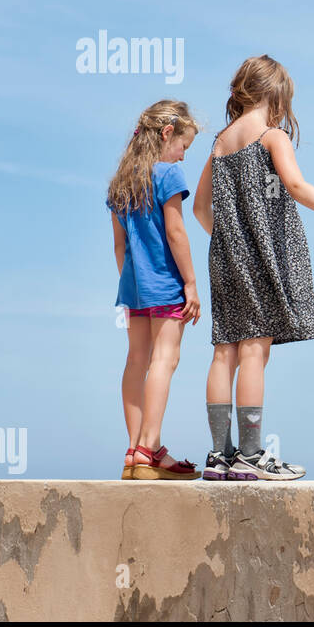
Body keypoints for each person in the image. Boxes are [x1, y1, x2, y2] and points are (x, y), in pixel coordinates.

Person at [193, 55, 314, 481]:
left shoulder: (219, 143)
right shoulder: (271, 136)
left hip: (224, 256)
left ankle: (219, 457)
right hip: (261, 255)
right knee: (254, 349)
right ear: (275, 94)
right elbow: (295, 186)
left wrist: (229, 240)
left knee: (224, 351)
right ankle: (252, 454)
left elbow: (201, 209)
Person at [107, 100, 202, 481]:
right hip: (165, 284)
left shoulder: (121, 183)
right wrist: (191, 283)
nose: (182, 156)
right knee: (165, 361)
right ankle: (149, 446)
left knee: (136, 362)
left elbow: (119, 247)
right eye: (184, 146)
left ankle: (136, 450)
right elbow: (176, 232)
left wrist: (134, 279)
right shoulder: (167, 176)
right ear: (167, 134)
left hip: (133, 287)